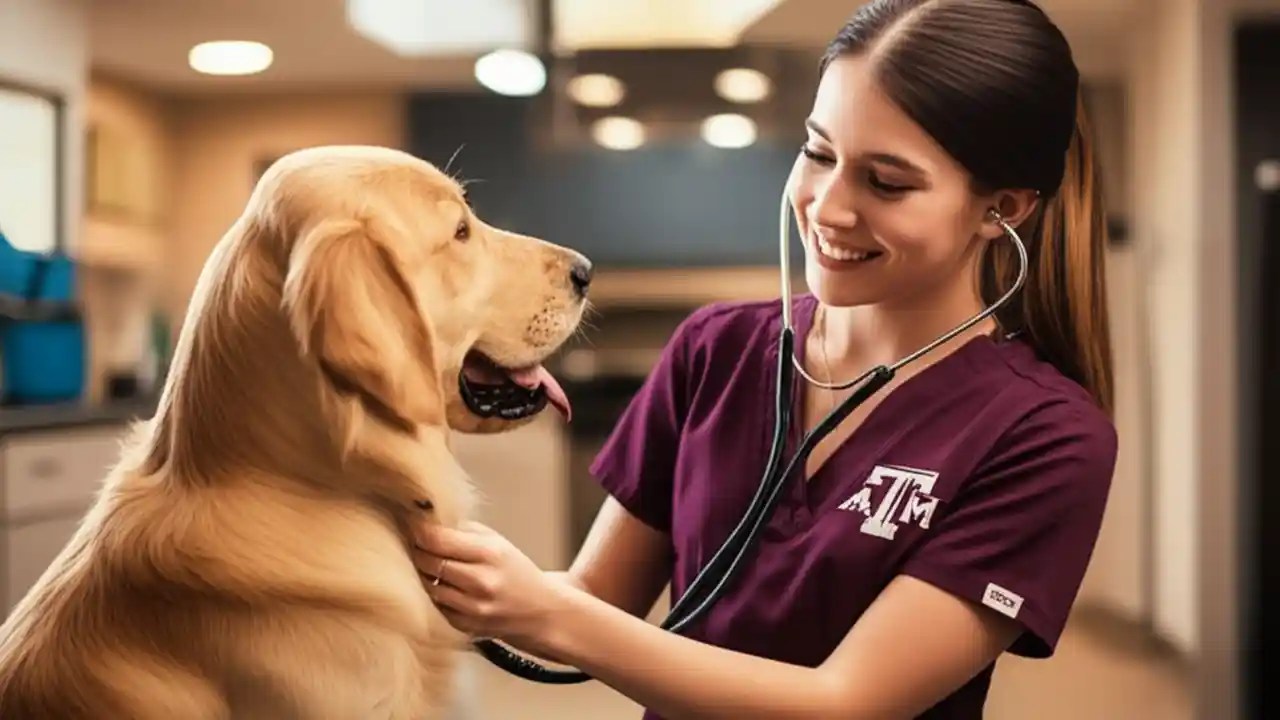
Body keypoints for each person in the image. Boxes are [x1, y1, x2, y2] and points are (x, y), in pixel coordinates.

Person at [413, 0, 1119, 717]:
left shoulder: (1046, 435)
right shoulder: (714, 350)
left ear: (1004, 209)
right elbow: (594, 599)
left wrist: (547, 613)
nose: (827, 207)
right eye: (818, 152)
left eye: (888, 182)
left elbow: (846, 702)